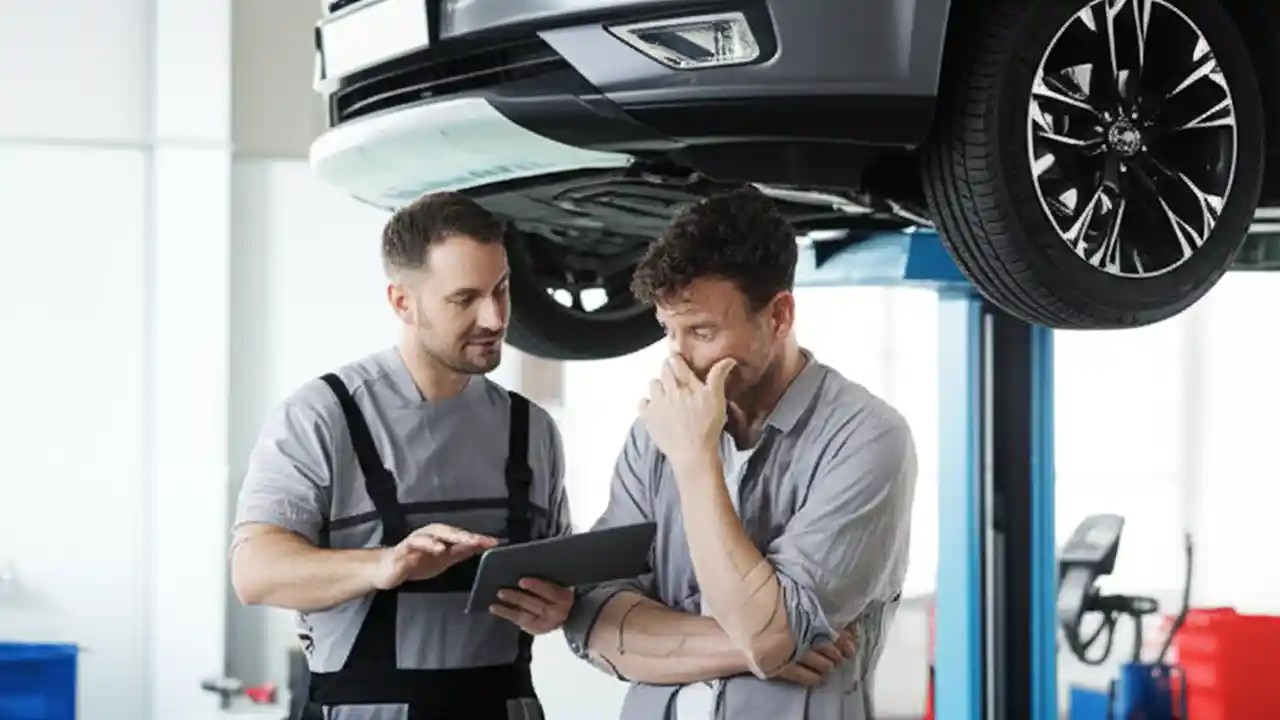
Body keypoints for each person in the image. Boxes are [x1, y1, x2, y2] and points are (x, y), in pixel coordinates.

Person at [561, 187, 918, 719]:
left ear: (778, 316)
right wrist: (750, 650)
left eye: (702, 331)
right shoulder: (652, 432)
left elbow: (768, 633)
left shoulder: (867, 438)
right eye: (669, 332)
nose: (678, 361)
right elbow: (591, 621)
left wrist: (694, 458)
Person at [229, 191, 574, 720]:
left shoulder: (533, 431)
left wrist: (560, 608)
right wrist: (385, 565)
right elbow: (254, 573)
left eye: (501, 289)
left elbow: (563, 576)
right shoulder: (323, 417)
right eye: (464, 299)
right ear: (402, 302)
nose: (494, 316)